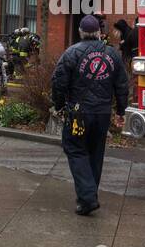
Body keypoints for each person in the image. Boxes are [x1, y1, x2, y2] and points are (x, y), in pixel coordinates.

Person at [51, 14, 129, 216]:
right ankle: (90, 195)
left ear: (80, 32)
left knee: (75, 149)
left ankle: (87, 197)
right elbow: (122, 85)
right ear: (99, 33)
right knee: (96, 153)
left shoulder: (71, 53)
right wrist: (121, 111)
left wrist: (58, 105)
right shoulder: (112, 54)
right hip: (102, 113)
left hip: (79, 113)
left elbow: (59, 82)